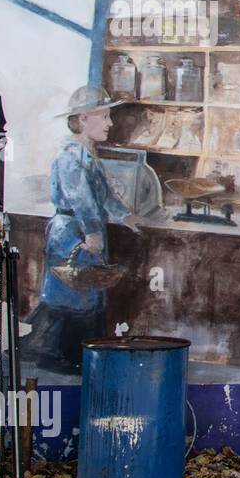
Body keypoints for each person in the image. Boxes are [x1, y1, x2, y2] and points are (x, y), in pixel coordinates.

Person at [23, 86, 144, 374]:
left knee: (84, 295)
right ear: (83, 119)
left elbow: (104, 197)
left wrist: (125, 215)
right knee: (70, 297)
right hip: (71, 235)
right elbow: (82, 200)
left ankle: (70, 354)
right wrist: (91, 234)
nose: (110, 123)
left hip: (85, 232)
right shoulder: (70, 157)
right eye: (104, 116)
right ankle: (58, 356)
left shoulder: (88, 155)